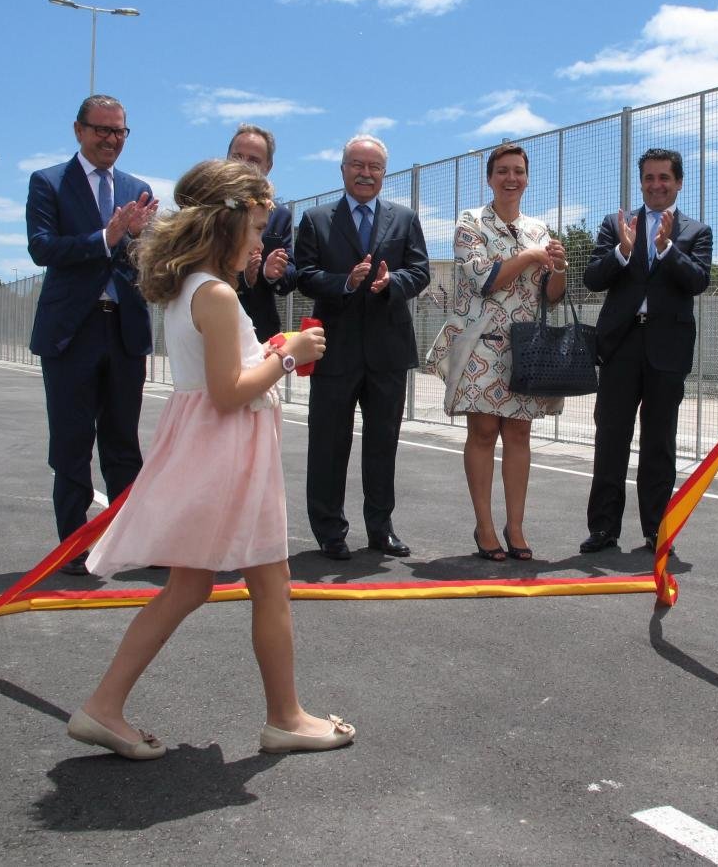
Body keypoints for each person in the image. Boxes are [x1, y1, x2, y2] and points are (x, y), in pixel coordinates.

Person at [68, 158, 353, 758]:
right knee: (269, 584)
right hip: (229, 454)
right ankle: (285, 718)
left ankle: (104, 705)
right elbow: (229, 392)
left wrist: (269, 353)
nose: (259, 244)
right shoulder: (218, 294)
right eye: (254, 230)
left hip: (207, 446)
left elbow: (219, 374)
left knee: (189, 588)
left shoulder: (190, 289)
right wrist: (292, 354)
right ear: (226, 226)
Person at [27, 94, 158, 576]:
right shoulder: (49, 183)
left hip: (123, 330)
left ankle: (126, 540)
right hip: (71, 334)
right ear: (79, 130)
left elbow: (143, 262)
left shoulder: (136, 188)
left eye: (119, 131)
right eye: (101, 130)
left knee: (123, 442)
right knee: (72, 443)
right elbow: (42, 248)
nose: (110, 139)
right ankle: (72, 548)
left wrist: (141, 238)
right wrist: (108, 236)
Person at [423, 143, 569, 561]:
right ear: (490, 178)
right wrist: (527, 257)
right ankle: (484, 526)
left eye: (518, 171)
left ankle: (516, 527)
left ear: (526, 178)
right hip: (481, 344)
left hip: (525, 346)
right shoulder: (470, 222)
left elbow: (552, 297)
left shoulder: (538, 229)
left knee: (520, 434)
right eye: (503, 171)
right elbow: (485, 279)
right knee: (484, 433)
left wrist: (557, 267)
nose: (511, 178)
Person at [294, 135, 430, 560]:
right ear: (342, 170)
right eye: (357, 164)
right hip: (333, 349)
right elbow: (304, 274)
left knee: (382, 442)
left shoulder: (404, 218)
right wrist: (345, 283)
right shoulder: (316, 219)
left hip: (387, 349)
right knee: (328, 443)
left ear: (384, 174)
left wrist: (393, 283)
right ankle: (329, 530)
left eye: (374, 167)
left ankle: (380, 527)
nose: (365, 173)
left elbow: (420, 270)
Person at [580, 149, 712, 553]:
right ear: (640, 182)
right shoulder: (616, 225)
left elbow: (698, 282)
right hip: (621, 346)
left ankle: (657, 528)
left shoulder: (696, 231)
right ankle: (603, 529)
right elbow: (592, 278)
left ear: (678, 183)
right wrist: (622, 251)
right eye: (649, 178)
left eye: (664, 178)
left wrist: (669, 249)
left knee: (659, 443)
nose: (656, 185)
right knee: (611, 439)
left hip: (666, 350)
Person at [227, 123, 297, 342]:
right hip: (209, 324)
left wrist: (268, 272)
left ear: (268, 167)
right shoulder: (204, 208)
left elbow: (291, 277)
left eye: (254, 160)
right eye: (237, 156)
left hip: (259, 331)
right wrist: (242, 277)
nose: (243, 164)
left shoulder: (279, 215)